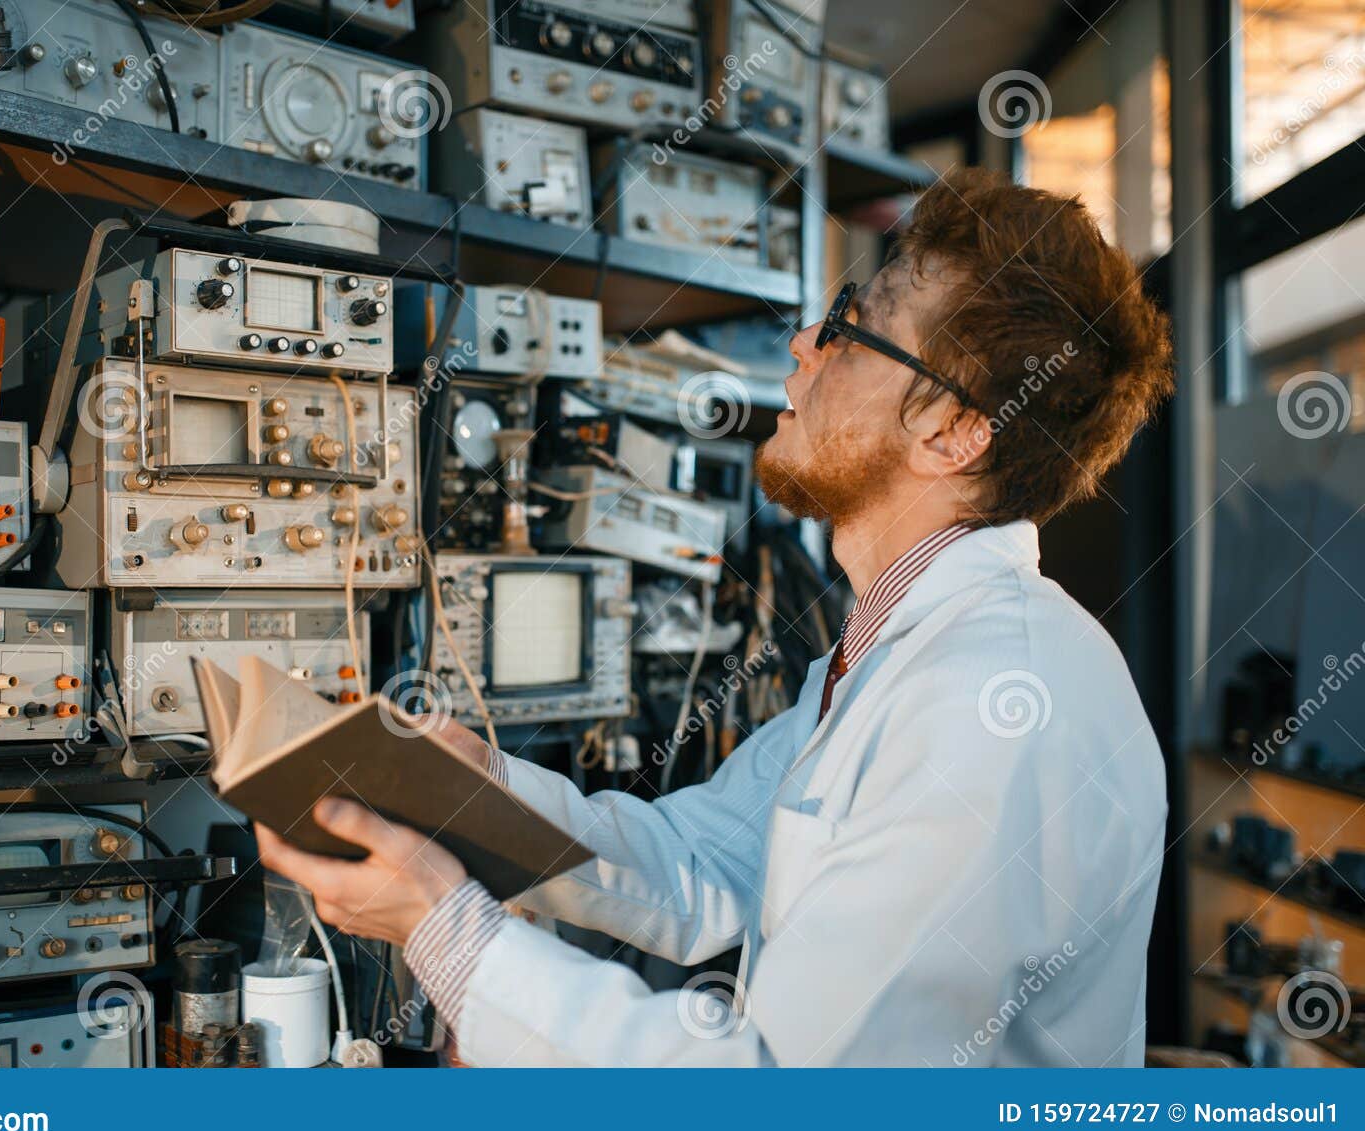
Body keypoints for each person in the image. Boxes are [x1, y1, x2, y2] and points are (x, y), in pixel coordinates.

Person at [255, 167, 1176, 1066]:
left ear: (952, 432)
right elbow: (702, 863)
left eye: (856, 323)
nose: (807, 342)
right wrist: (480, 793)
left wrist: (443, 931)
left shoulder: (991, 701)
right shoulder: (891, 653)